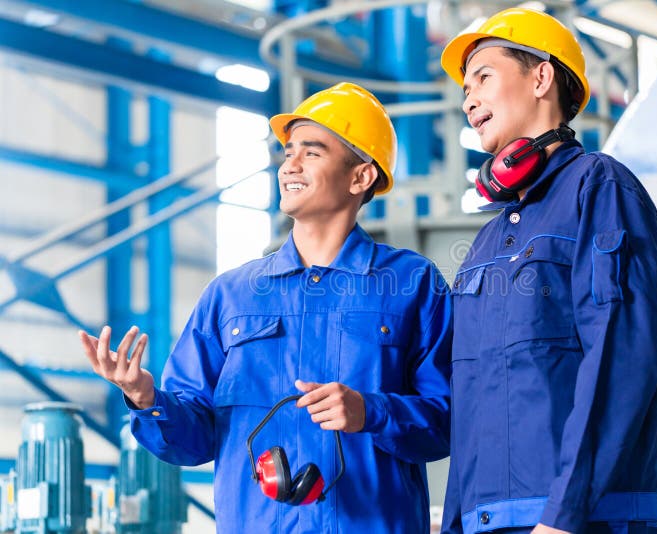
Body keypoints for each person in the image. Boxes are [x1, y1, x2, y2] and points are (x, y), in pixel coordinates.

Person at [79, 82, 452, 534]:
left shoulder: (412, 283)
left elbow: (447, 421)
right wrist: (145, 399)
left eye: (311, 152)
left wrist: (370, 411)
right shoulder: (230, 296)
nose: (289, 165)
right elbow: (193, 442)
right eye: (288, 153)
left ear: (361, 177)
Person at [439, 8, 657, 534]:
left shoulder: (599, 188)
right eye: (465, 89)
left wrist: (564, 515)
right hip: (492, 519)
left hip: (587, 519)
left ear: (541, 77)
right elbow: (471, 398)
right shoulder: (487, 240)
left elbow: (620, 356)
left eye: (483, 77)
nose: (468, 100)